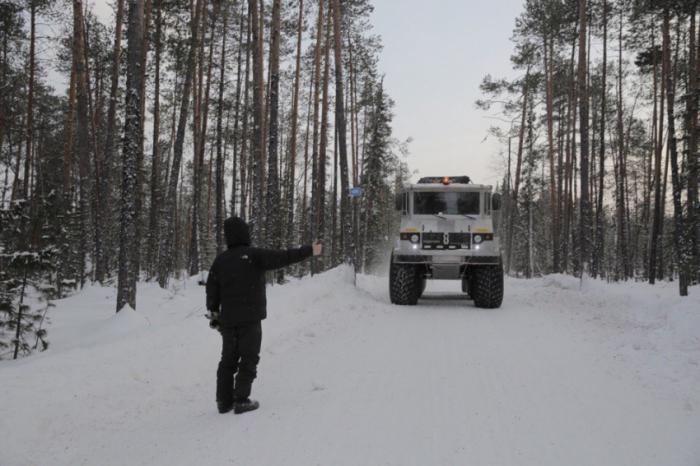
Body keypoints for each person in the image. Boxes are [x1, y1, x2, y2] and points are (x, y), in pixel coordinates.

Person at [206, 216, 321, 414]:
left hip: (228, 321)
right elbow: (284, 257)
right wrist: (310, 250)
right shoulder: (254, 255)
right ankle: (241, 400)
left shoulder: (220, 261)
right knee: (249, 358)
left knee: (228, 360)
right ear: (244, 233)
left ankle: (223, 402)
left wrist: (215, 315)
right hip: (250, 319)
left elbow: (211, 290)